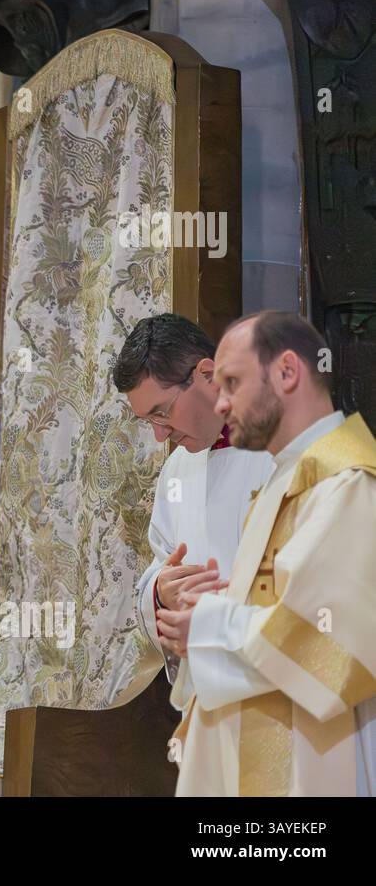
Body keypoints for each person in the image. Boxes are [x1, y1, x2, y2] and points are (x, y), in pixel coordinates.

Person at [159, 311, 376, 795]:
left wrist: (207, 626)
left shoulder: (348, 484)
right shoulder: (288, 477)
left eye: (232, 383)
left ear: (287, 371)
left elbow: (329, 641)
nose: (221, 403)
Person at [112, 314, 273, 687]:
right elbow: (163, 561)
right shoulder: (177, 471)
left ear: (206, 374)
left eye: (163, 412)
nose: (159, 435)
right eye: (148, 420)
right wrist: (162, 593)